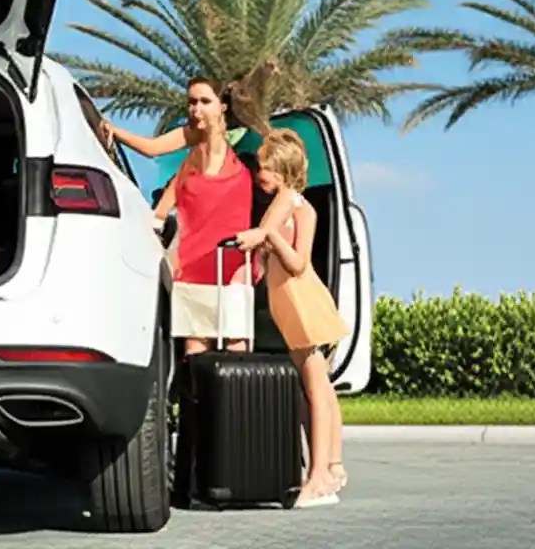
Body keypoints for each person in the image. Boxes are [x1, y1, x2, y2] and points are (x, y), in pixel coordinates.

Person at [235, 128, 350, 508]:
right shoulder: (287, 203)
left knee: (316, 391)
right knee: (318, 391)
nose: (259, 174)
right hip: (292, 307)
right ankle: (330, 466)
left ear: (283, 170)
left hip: (305, 306)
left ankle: (318, 478)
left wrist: (267, 237)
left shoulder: (293, 204)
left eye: (265, 168)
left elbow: (299, 262)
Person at [103, 78, 257, 355]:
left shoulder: (242, 144)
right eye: (192, 102)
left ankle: (234, 398)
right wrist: (115, 131)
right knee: (195, 341)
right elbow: (152, 149)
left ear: (222, 106)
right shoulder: (191, 145)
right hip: (193, 259)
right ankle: (197, 397)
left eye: (204, 102)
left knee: (236, 340)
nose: (196, 109)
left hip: (231, 259)